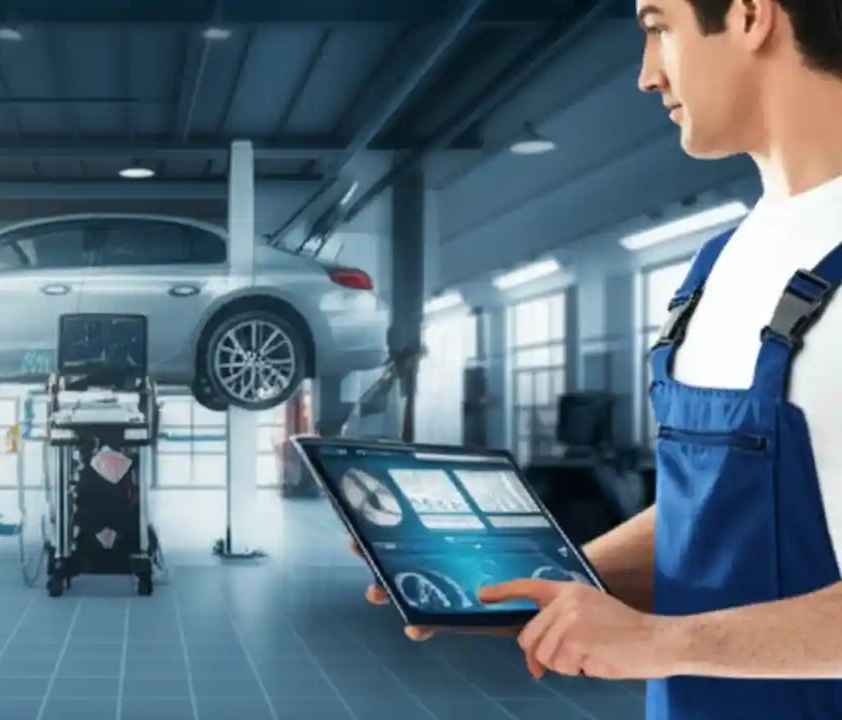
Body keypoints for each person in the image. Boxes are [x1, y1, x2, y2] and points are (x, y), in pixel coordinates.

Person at [354, 0, 842, 717]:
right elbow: (714, 516)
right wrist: (532, 586)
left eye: (658, 27)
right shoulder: (718, 265)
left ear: (749, 15)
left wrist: (661, 642)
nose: (646, 75)